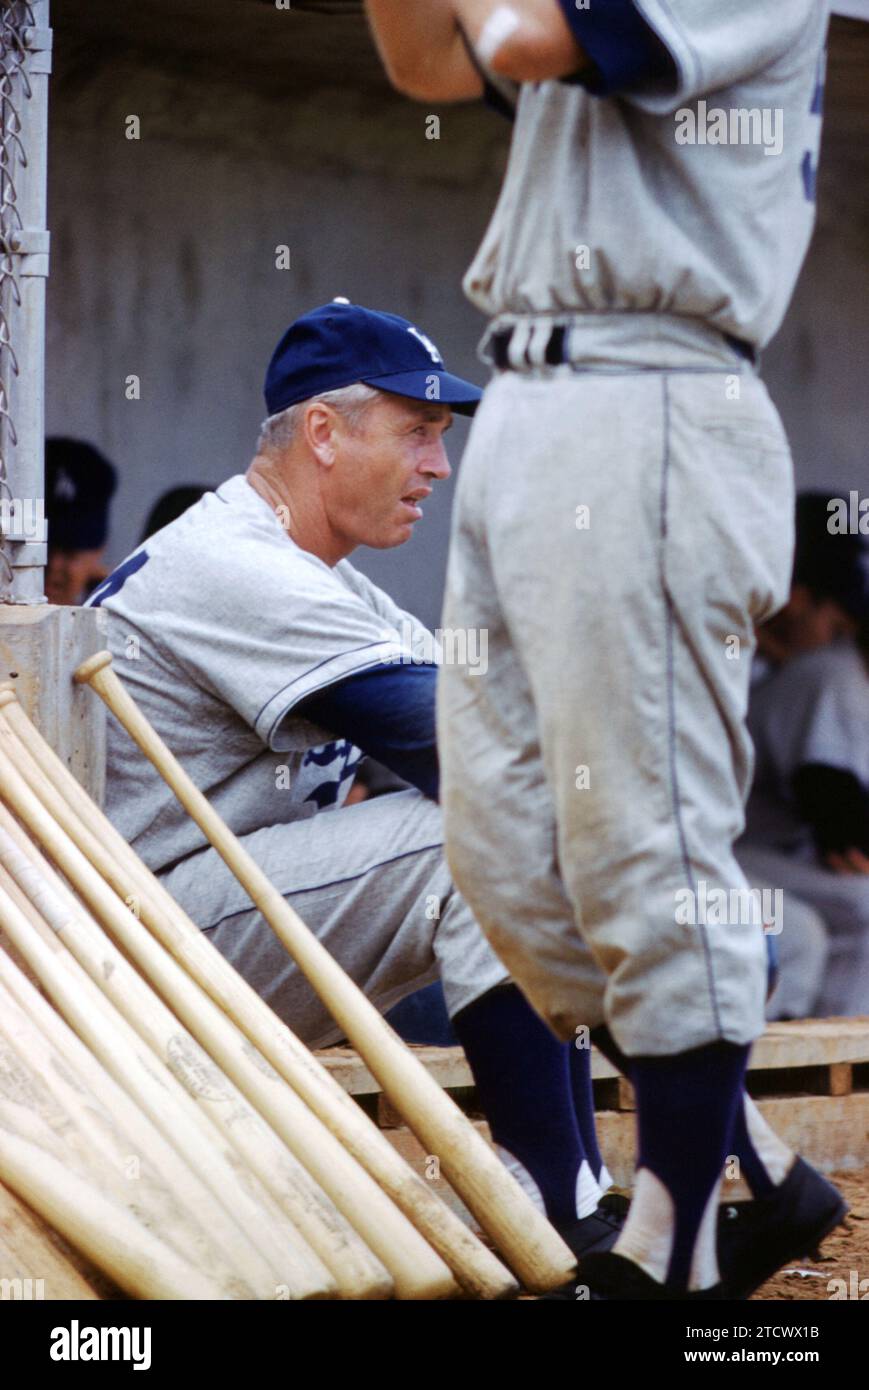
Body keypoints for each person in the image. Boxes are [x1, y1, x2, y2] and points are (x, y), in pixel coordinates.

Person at [366, 0, 846, 1298]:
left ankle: (673, 1242)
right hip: (529, 387)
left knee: (643, 840)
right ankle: (742, 1148)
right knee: (506, 857)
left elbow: (522, 38)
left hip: (655, 386)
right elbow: (429, 56)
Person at [87, 301, 627, 1269]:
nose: (439, 462)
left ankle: (575, 1196)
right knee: (475, 842)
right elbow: (467, 754)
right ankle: (560, 1207)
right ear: (324, 433)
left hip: (189, 930)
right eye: (417, 429)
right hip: (122, 964)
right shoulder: (235, 561)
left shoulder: (316, 568)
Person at [738, 492, 869, 1018]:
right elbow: (837, 811)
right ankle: (826, 1071)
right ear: (795, 596)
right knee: (834, 920)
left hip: (763, 857)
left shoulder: (797, 671)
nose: (835, 643)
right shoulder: (825, 673)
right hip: (723, 849)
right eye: (836, 629)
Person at [45, 438, 117, 605]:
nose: (53, 565)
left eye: (70, 552)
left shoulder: (111, 615)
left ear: (98, 551)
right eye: (42, 546)